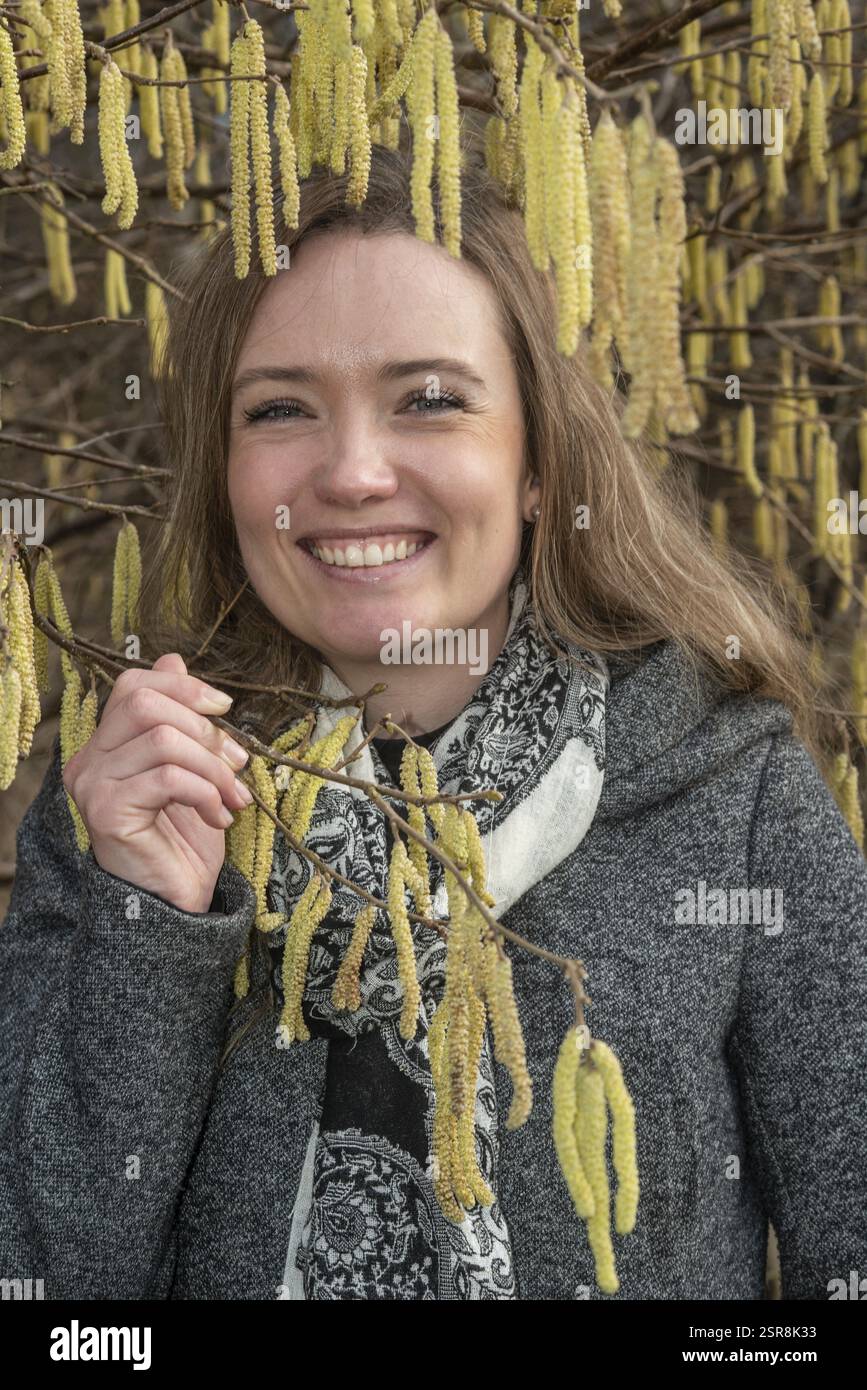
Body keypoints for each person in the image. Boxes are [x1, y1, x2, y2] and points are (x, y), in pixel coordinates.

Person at [1, 145, 865, 1301]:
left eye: (431, 400)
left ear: (539, 466)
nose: (354, 470)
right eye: (281, 408)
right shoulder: (129, 801)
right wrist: (149, 931)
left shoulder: (731, 792)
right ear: (223, 467)